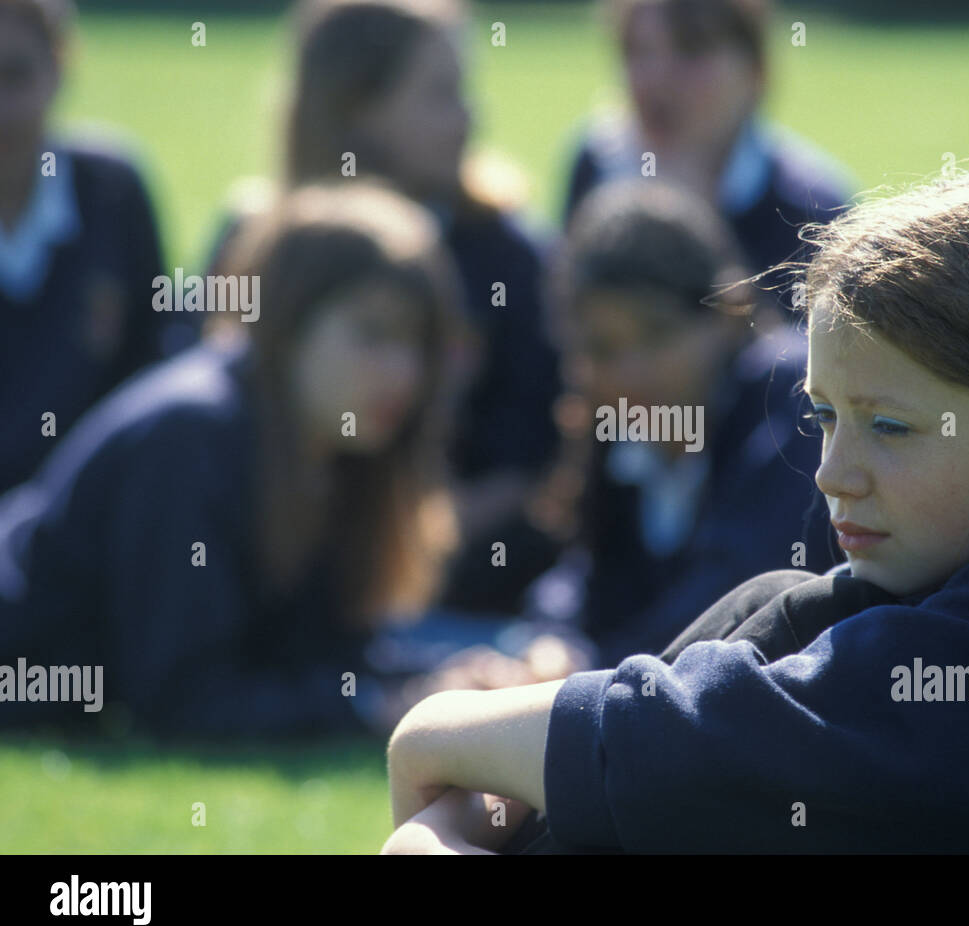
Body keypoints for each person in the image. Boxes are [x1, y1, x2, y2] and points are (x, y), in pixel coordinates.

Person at [382, 162, 969, 854]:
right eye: (824, 417)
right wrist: (458, 819)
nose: (832, 474)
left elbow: (799, 740)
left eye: (891, 426)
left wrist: (444, 736)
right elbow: (777, 647)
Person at [0, 183, 462, 739]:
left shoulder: (333, 442)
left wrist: (453, 685)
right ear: (288, 327)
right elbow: (185, 701)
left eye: (416, 343)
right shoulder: (189, 434)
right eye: (372, 333)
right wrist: (371, 710)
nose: (402, 372)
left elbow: (318, 654)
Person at [205, 0, 565, 615]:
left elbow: (537, 450)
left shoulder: (504, 251)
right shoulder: (258, 243)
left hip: (467, 578)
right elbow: (217, 418)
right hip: (281, 564)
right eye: (440, 93)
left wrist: (407, 535)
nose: (470, 116)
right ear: (357, 107)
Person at [524, 178, 837, 667]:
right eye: (601, 349)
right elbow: (584, 578)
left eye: (657, 335)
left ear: (730, 314)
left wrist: (581, 674)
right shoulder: (620, 431)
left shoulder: (792, 399)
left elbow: (730, 604)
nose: (632, 372)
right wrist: (552, 642)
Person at [562, 0, 856, 297]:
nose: (657, 77)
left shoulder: (810, 204)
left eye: (692, 50)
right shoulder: (596, 163)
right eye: (638, 51)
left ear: (755, 71)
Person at [0, 0, 168, 495]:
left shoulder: (111, 192)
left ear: (58, 69)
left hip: (84, 524)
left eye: (14, 75)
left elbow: (150, 365)